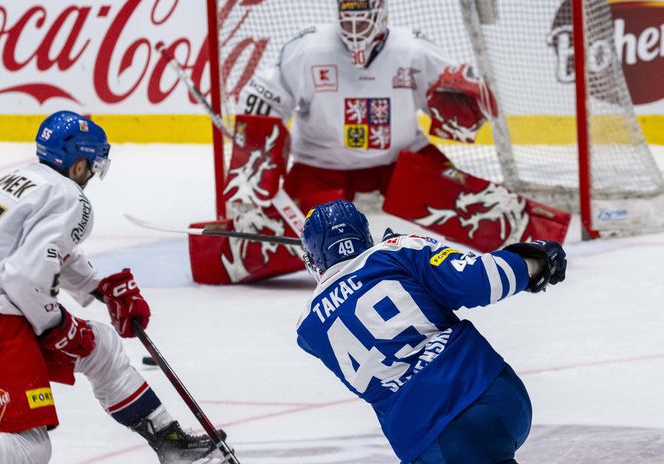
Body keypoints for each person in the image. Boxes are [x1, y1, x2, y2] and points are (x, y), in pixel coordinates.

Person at [0, 111, 222, 464]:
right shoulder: (71, 197)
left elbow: (44, 254)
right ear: (77, 165)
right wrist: (56, 324)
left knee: (101, 347)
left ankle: (170, 442)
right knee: (30, 450)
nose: (90, 176)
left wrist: (100, 287)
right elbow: (24, 276)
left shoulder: (24, 179)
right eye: (90, 166)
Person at [296, 200, 566, 463]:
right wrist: (533, 263)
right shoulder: (397, 253)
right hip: (492, 393)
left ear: (313, 259)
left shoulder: (308, 328)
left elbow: (356, 293)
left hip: (431, 441)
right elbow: (479, 281)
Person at [238, 0, 495, 208]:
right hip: (322, 165)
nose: (354, 25)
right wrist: (256, 139)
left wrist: (466, 101)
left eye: (362, 17)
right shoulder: (309, 48)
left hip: (402, 159)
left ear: (381, 12)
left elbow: (450, 95)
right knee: (286, 233)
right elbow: (267, 93)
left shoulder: (413, 49)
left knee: (468, 207)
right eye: (348, 15)